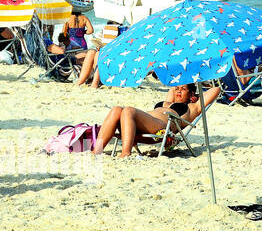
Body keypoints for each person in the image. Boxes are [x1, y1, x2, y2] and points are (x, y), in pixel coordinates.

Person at [91, 82, 222, 157]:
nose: (178, 91)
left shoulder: (192, 107)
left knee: (128, 110)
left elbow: (216, 89)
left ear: (192, 94)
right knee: (116, 110)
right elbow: (173, 83)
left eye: (183, 89)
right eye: (177, 89)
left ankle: (126, 152)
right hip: (142, 124)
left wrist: (195, 94)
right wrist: (180, 84)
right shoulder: (169, 101)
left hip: (162, 128)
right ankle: (97, 150)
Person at [74, 20, 123, 88]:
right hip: (106, 55)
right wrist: (99, 45)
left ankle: (95, 83)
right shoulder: (105, 29)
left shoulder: (122, 31)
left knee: (98, 54)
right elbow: (101, 41)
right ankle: (80, 82)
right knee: (91, 52)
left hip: (115, 57)